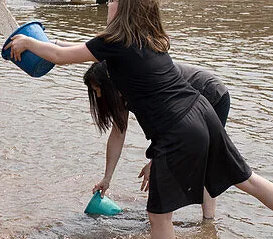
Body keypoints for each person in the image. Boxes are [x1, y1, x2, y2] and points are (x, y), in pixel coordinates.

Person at [5, 0, 273, 239]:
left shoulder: (114, 41)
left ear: (124, 9)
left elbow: (60, 56)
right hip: (202, 112)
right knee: (247, 179)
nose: (109, 3)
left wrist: (28, 43)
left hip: (177, 129)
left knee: (159, 217)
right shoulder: (150, 39)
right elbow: (74, 54)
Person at [84, 60, 229, 219]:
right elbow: (118, 133)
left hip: (210, 94)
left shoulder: (140, 87)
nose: (98, 96)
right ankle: (167, 219)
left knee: (203, 162)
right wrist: (107, 178)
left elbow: (170, 128)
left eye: (98, 90)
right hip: (181, 111)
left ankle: (206, 222)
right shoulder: (122, 93)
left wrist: (154, 161)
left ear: (110, 85)